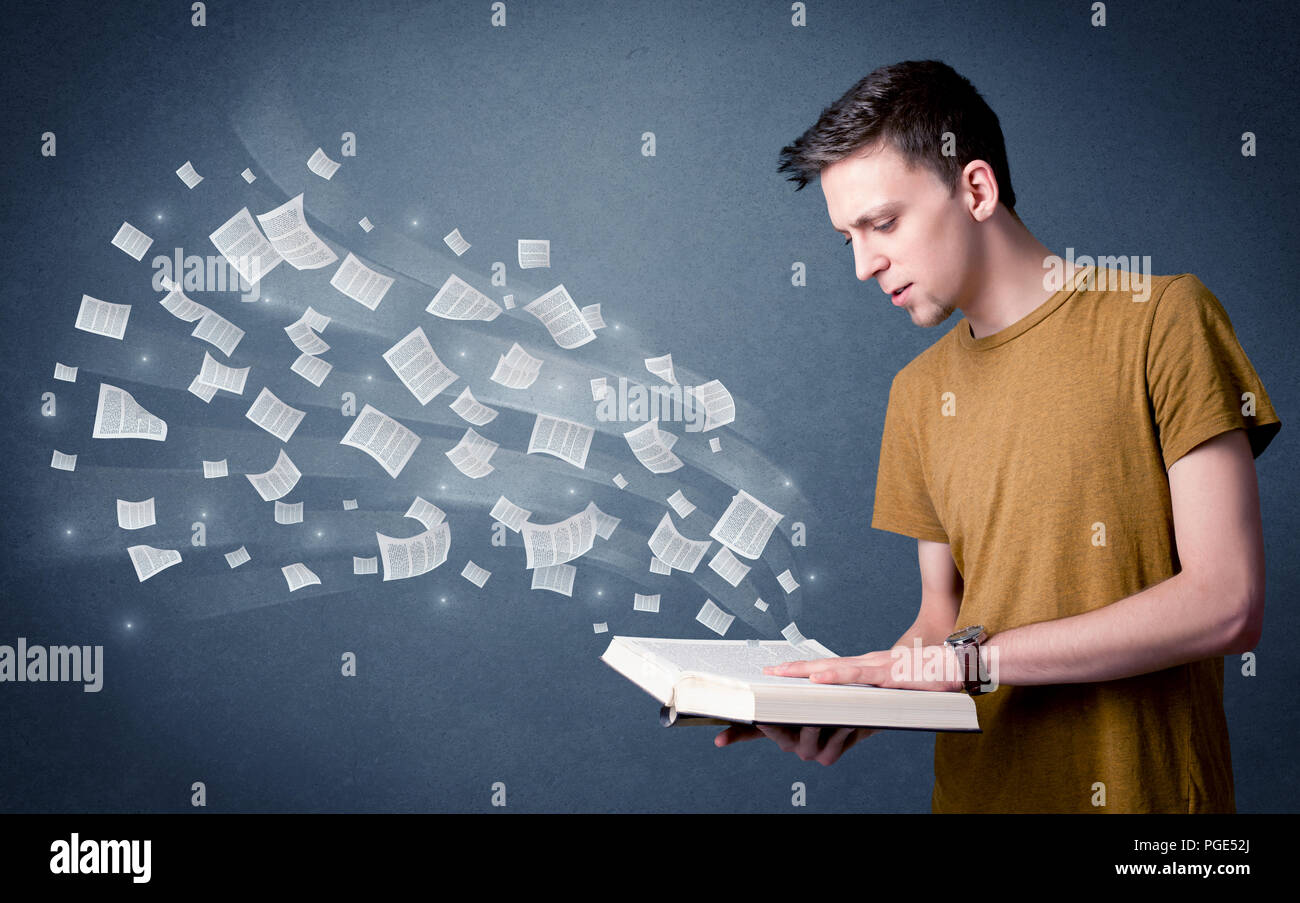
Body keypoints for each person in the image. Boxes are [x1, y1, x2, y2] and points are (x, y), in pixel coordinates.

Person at [714, 60, 1282, 813]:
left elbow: (1227, 602)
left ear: (975, 189)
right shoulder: (916, 394)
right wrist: (863, 694)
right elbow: (941, 624)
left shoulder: (1163, 319)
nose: (863, 264)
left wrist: (967, 663)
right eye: (847, 237)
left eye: (882, 223)